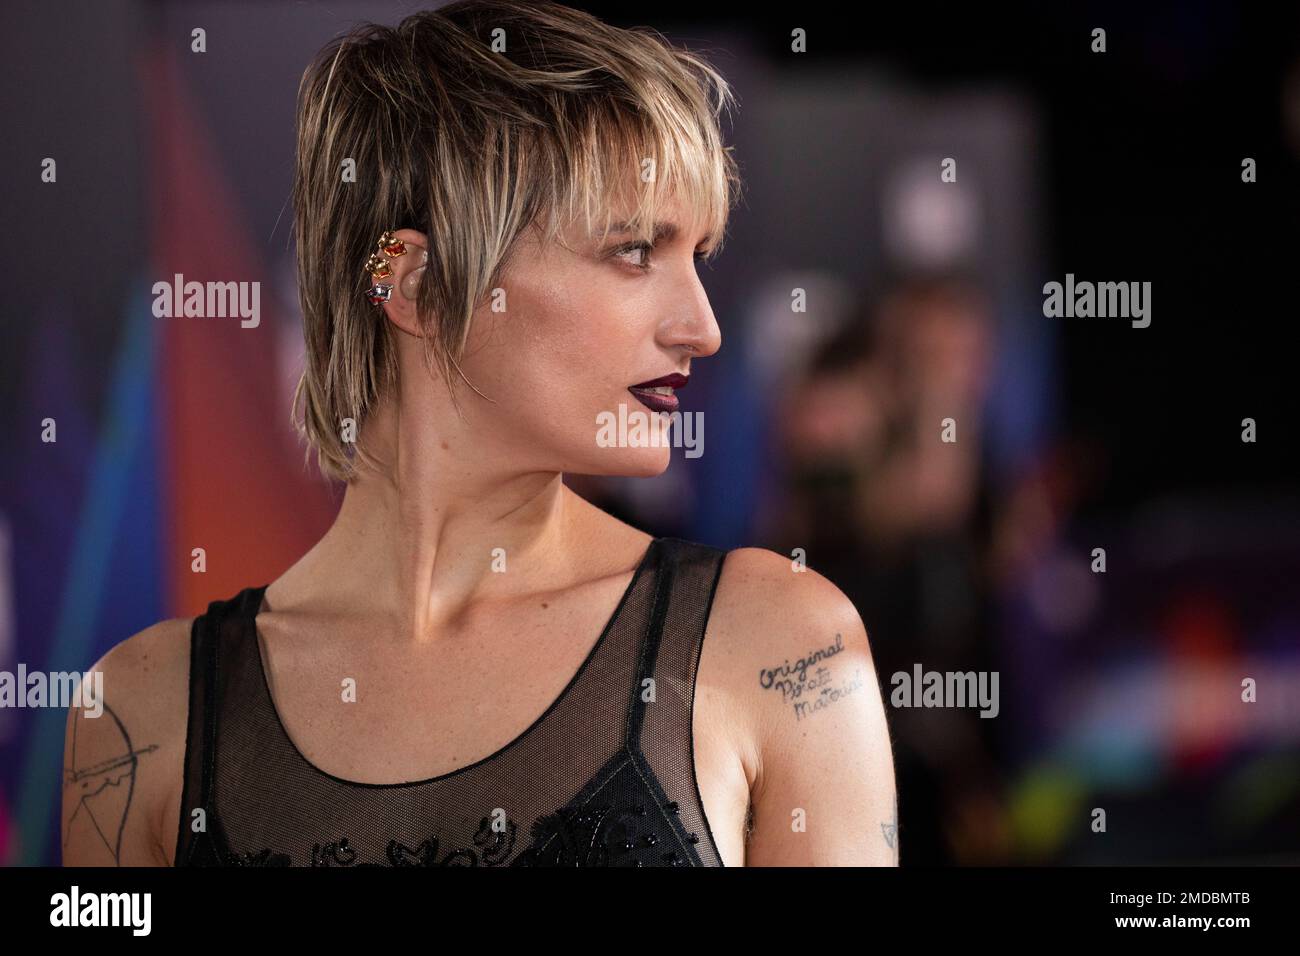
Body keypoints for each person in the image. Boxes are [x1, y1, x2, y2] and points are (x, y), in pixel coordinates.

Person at [60, 0, 896, 867]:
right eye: (634, 251)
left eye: (701, 257)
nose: (702, 326)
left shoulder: (778, 644)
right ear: (416, 285)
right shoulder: (143, 712)